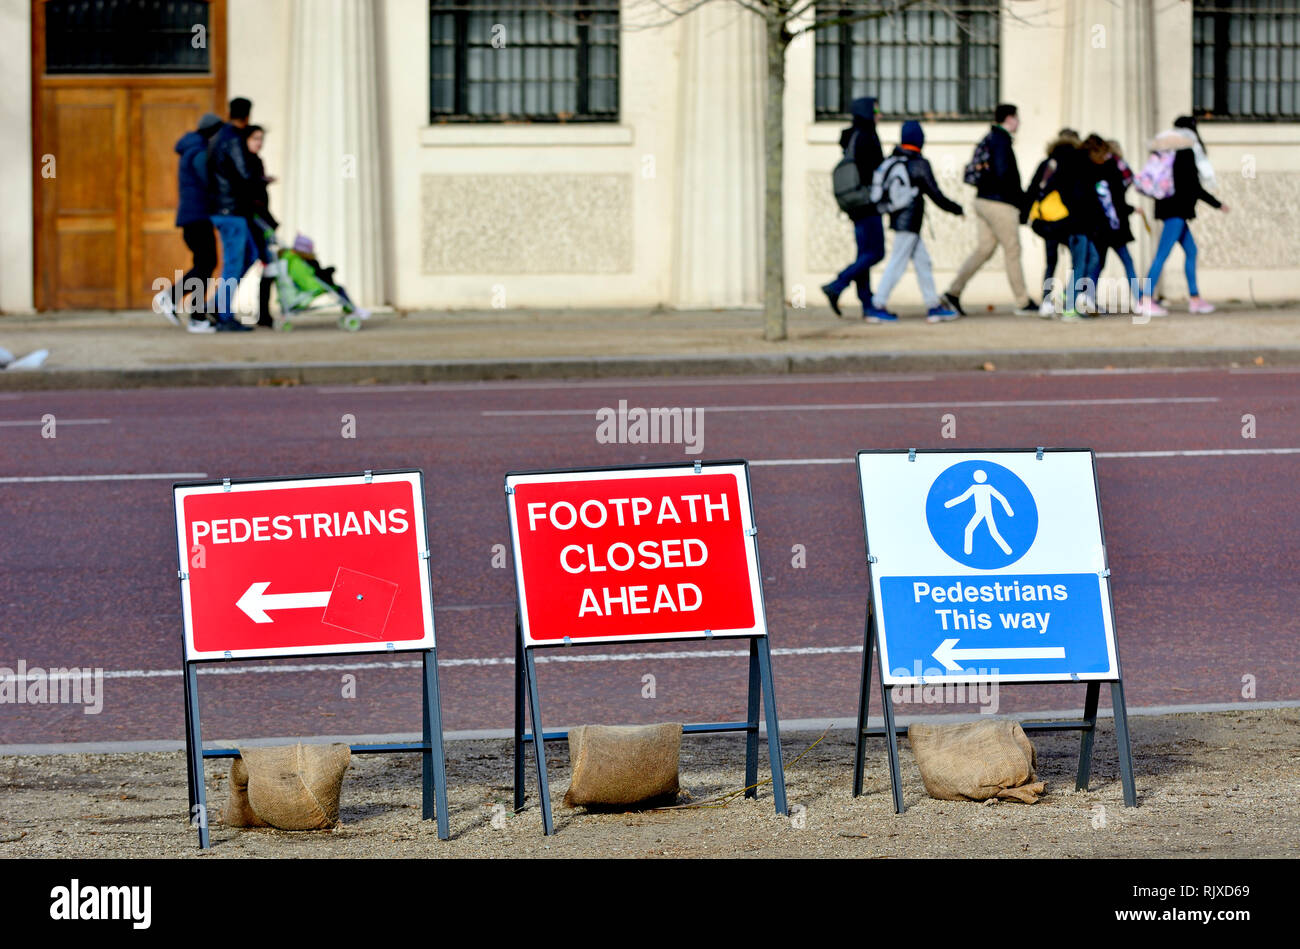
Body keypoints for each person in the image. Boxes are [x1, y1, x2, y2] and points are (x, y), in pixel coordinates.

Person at [943, 103, 1038, 316]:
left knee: (984, 249)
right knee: (1013, 250)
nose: (1019, 123)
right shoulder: (1001, 141)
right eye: (1017, 118)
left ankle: (953, 293)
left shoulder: (989, 138)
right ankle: (1023, 302)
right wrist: (1020, 202)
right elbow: (1005, 174)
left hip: (983, 200)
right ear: (1010, 118)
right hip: (1000, 203)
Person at [866, 120, 964, 323]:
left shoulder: (894, 159)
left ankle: (932, 305)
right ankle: (877, 304)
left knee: (923, 263)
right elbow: (935, 194)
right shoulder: (919, 163)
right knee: (897, 263)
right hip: (909, 223)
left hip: (902, 221)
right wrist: (956, 209)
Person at [1137, 116, 1229, 317]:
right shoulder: (1185, 152)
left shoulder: (1166, 150)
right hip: (1177, 211)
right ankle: (1145, 298)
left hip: (1170, 209)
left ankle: (1195, 298)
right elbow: (1193, 187)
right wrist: (1217, 204)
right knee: (1162, 254)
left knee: (1192, 251)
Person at [155, 112, 222, 333]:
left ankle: (191, 312)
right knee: (206, 264)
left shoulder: (192, 149)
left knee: (204, 264)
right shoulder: (199, 152)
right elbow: (210, 183)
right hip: (198, 218)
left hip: (194, 218)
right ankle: (186, 310)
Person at [822, 97, 886, 318]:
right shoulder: (867, 136)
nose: (879, 114)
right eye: (876, 109)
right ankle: (838, 284)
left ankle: (867, 304)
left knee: (864, 255)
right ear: (867, 112)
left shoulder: (852, 136)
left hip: (855, 205)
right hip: (867, 203)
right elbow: (876, 169)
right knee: (876, 252)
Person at [207, 97, 257, 332]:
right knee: (234, 265)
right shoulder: (234, 139)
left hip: (225, 209)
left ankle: (215, 305)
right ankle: (224, 316)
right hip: (231, 211)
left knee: (250, 254)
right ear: (247, 116)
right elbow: (245, 173)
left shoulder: (218, 138)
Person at [1025, 129, 1080, 316]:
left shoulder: (1047, 163)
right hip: (1068, 221)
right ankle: (1070, 298)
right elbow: (1075, 194)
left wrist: (1026, 216)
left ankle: (1046, 302)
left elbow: (1033, 188)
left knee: (1050, 262)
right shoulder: (1075, 162)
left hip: (1047, 222)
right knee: (1078, 260)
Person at [1089, 137, 1140, 310]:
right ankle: (1140, 299)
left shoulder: (1095, 169)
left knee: (1097, 263)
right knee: (1127, 262)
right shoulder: (1116, 168)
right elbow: (1118, 200)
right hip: (1115, 227)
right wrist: (1131, 209)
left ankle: (1089, 299)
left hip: (1101, 228)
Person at [241, 125, 279, 329]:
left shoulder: (256, 161)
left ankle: (264, 313)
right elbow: (250, 194)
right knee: (244, 264)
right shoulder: (245, 161)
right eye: (255, 138)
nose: (259, 143)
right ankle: (218, 306)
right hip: (253, 222)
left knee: (269, 267)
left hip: (261, 222)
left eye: (261, 139)